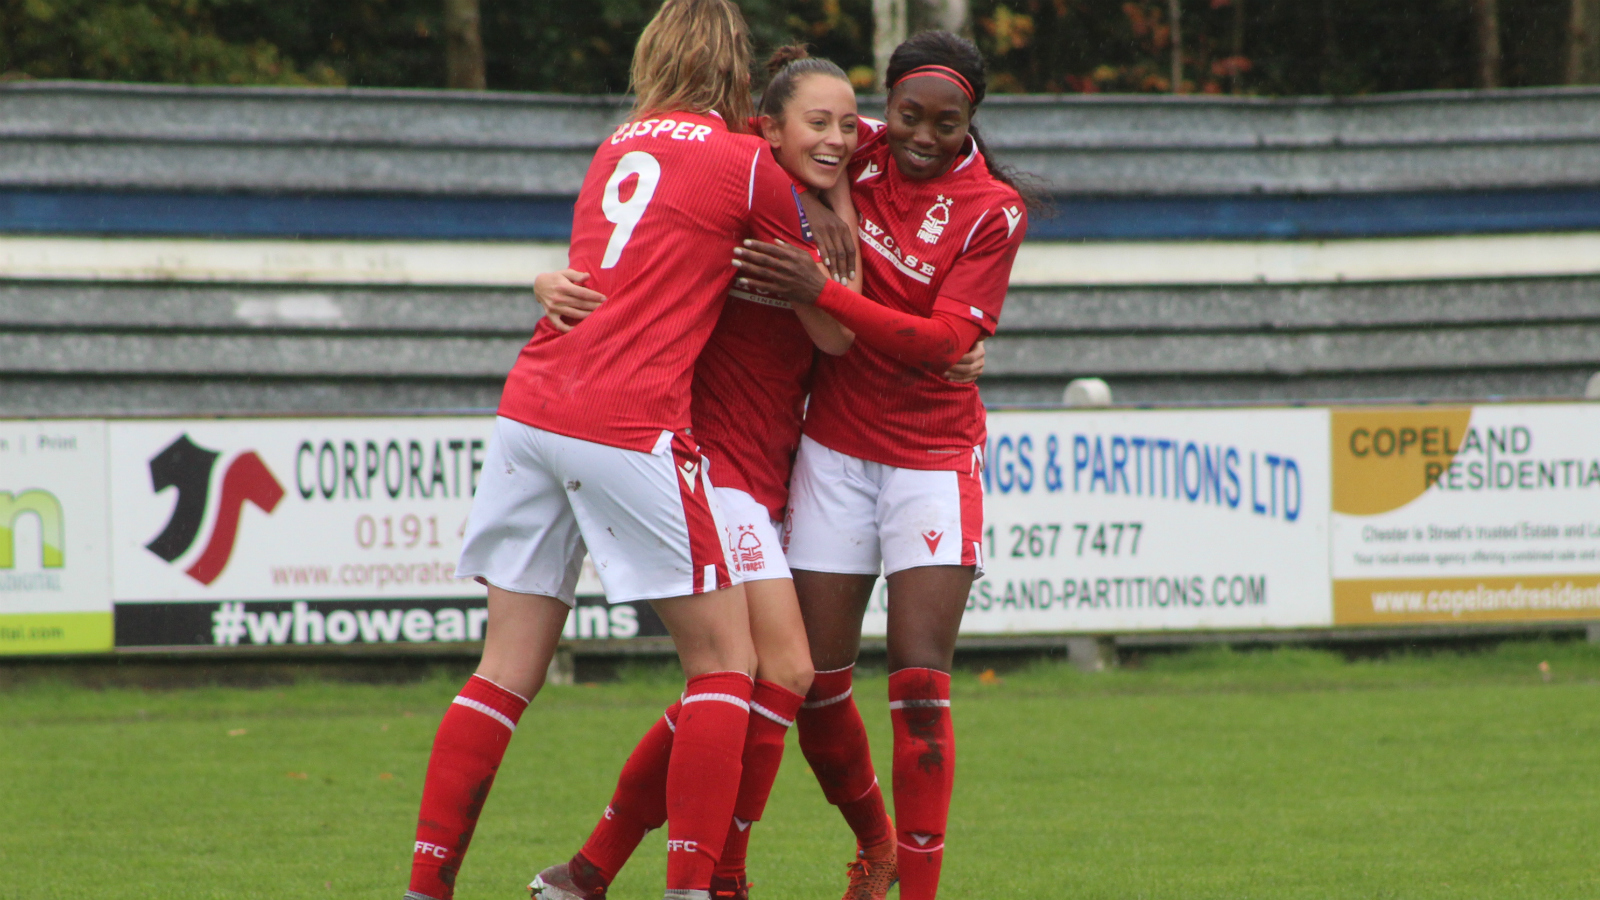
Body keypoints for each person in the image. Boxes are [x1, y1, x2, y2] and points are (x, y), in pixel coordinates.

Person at [526, 46, 986, 900]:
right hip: (710, 462)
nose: (842, 139)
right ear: (765, 128)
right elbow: (824, 330)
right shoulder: (741, 182)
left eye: (851, 126)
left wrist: (842, 205)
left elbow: (949, 140)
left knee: (764, 680)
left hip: (778, 471)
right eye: (820, 123)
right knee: (778, 672)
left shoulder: (832, 184)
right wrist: (544, 275)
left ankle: (597, 870)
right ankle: (695, 877)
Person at [399, 3, 823, 900]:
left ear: (653, 55)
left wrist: (540, 278)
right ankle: (689, 891)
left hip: (532, 406)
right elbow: (823, 311)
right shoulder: (748, 163)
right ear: (736, 66)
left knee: (503, 671)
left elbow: (597, 273)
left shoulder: (616, 143)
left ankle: (425, 889)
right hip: (627, 419)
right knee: (724, 668)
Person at [729, 30, 1031, 900]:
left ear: (972, 118)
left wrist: (823, 289)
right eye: (907, 116)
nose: (924, 136)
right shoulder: (850, 147)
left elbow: (942, 344)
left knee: (920, 681)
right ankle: (854, 849)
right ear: (883, 107)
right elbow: (758, 140)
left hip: (932, 457)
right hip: (834, 449)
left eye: (947, 120)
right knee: (809, 683)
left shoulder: (993, 207)